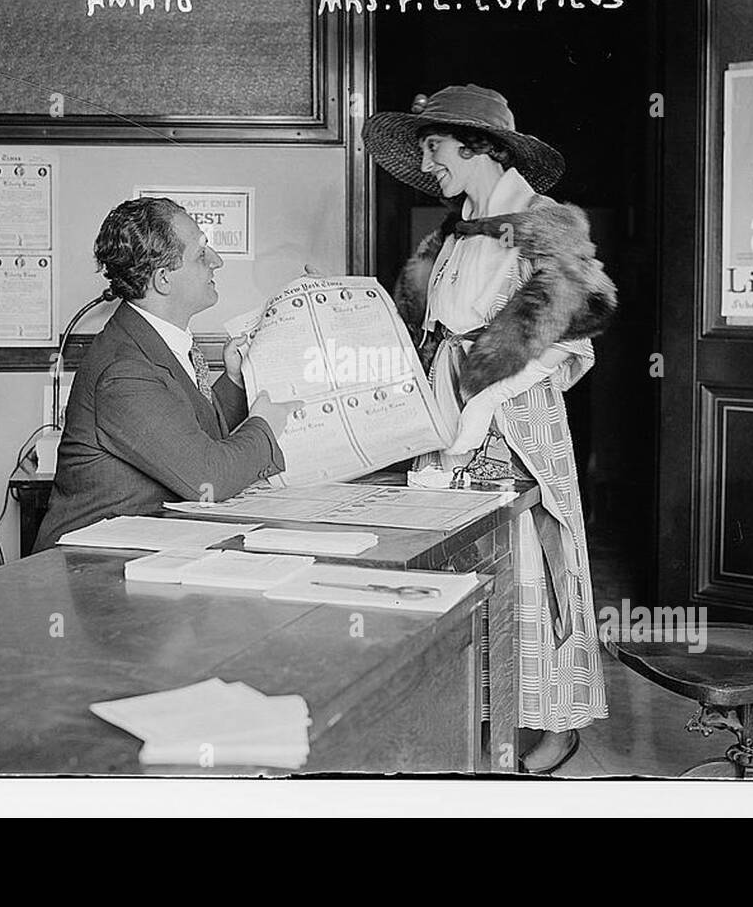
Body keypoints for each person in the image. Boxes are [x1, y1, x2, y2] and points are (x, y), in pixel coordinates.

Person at [363, 84, 617, 773]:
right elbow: (431, 328)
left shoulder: (542, 221)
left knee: (528, 564)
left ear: (478, 145)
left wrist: (479, 409)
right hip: (448, 407)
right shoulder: (452, 232)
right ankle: (485, 714)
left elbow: (572, 336)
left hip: (512, 415)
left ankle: (554, 725)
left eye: (434, 145)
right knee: (462, 563)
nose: (427, 160)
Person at [32, 198, 300, 552]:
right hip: (90, 568)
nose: (216, 261)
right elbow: (209, 477)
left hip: (143, 550)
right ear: (163, 280)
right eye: (201, 253)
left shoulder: (154, 341)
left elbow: (183, 433)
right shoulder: (124, 371)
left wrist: (234, 381)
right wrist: (264, 428)